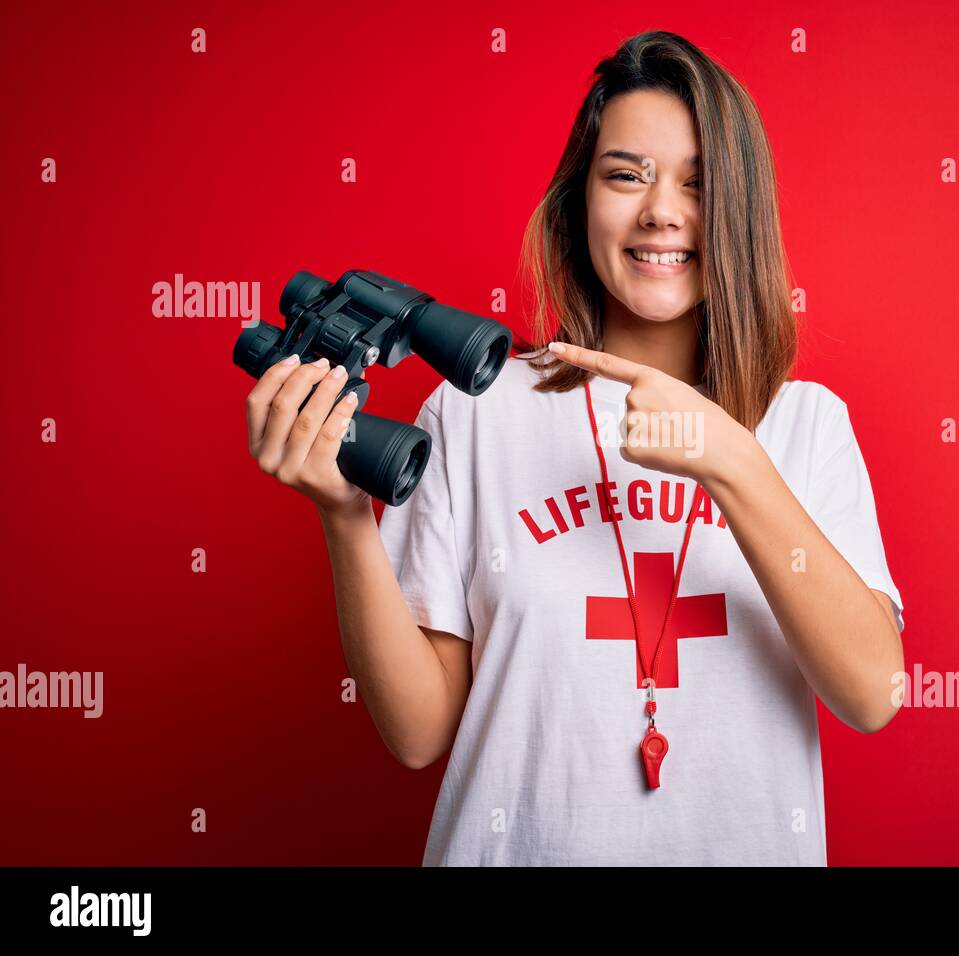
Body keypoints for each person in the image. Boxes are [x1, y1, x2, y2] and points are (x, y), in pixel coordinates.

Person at [244, 30, 905, 866]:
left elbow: (875, 695)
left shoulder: (807, 425)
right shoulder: (475, 411)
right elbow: (417, 733)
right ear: (578, 203)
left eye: (699, 184)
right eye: (626, 175)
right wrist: (344, 517)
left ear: (741, 212)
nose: (661, 209)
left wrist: (731, 459)